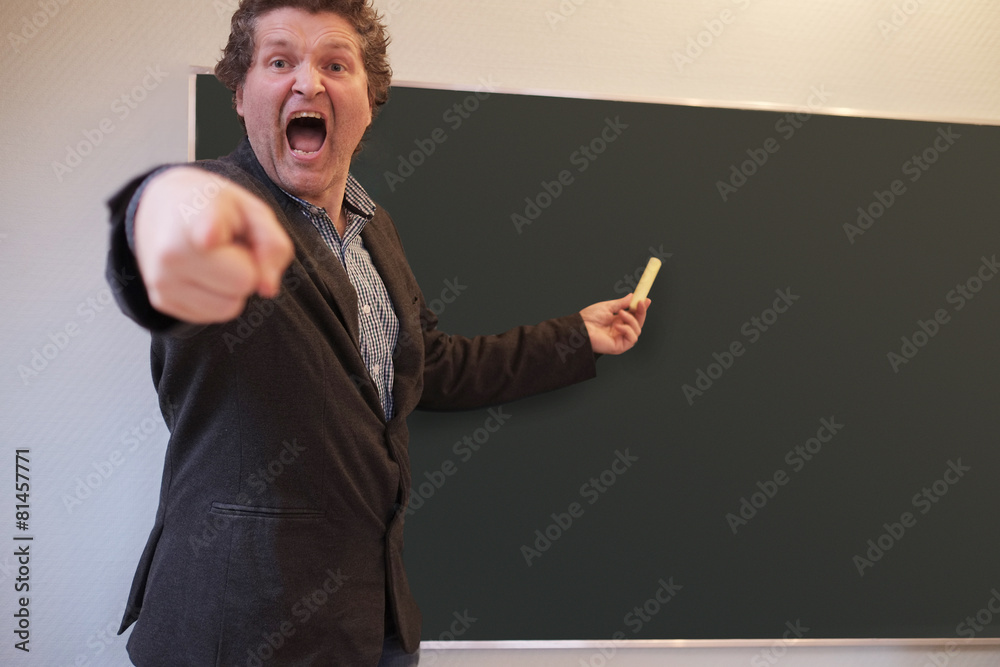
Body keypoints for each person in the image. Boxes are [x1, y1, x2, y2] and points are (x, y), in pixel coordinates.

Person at [106, 0, 651, 665]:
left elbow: (434, 365)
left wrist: (577, 336)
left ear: (368, 102)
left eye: (335, 64)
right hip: (239, 629)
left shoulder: (374, 231)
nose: (307, 82)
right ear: (241, 93)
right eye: (280, 61)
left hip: (372, 621)